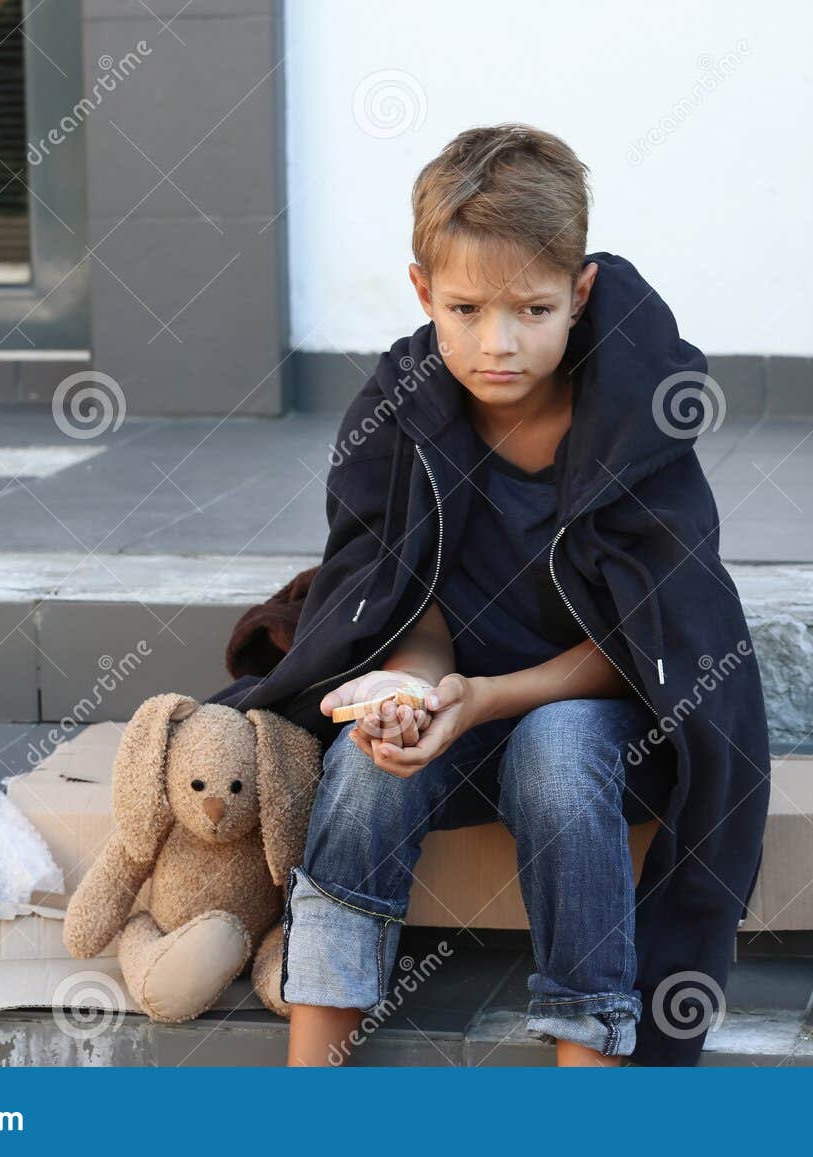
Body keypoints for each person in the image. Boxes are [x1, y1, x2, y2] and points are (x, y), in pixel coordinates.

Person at [205, 122, 771, 1067]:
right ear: (424, 291)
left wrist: (491, 698)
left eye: (533, 311)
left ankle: (586, 1061)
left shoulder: (634, 417)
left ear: (580, 296)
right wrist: (416, 691)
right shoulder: (404, 414)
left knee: (552, 752)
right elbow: (407, 599)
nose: (497, 344)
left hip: (598, 715)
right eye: (465, 310)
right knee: (362, 763)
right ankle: (313, 1071)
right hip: (461, 708)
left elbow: (650, 636)